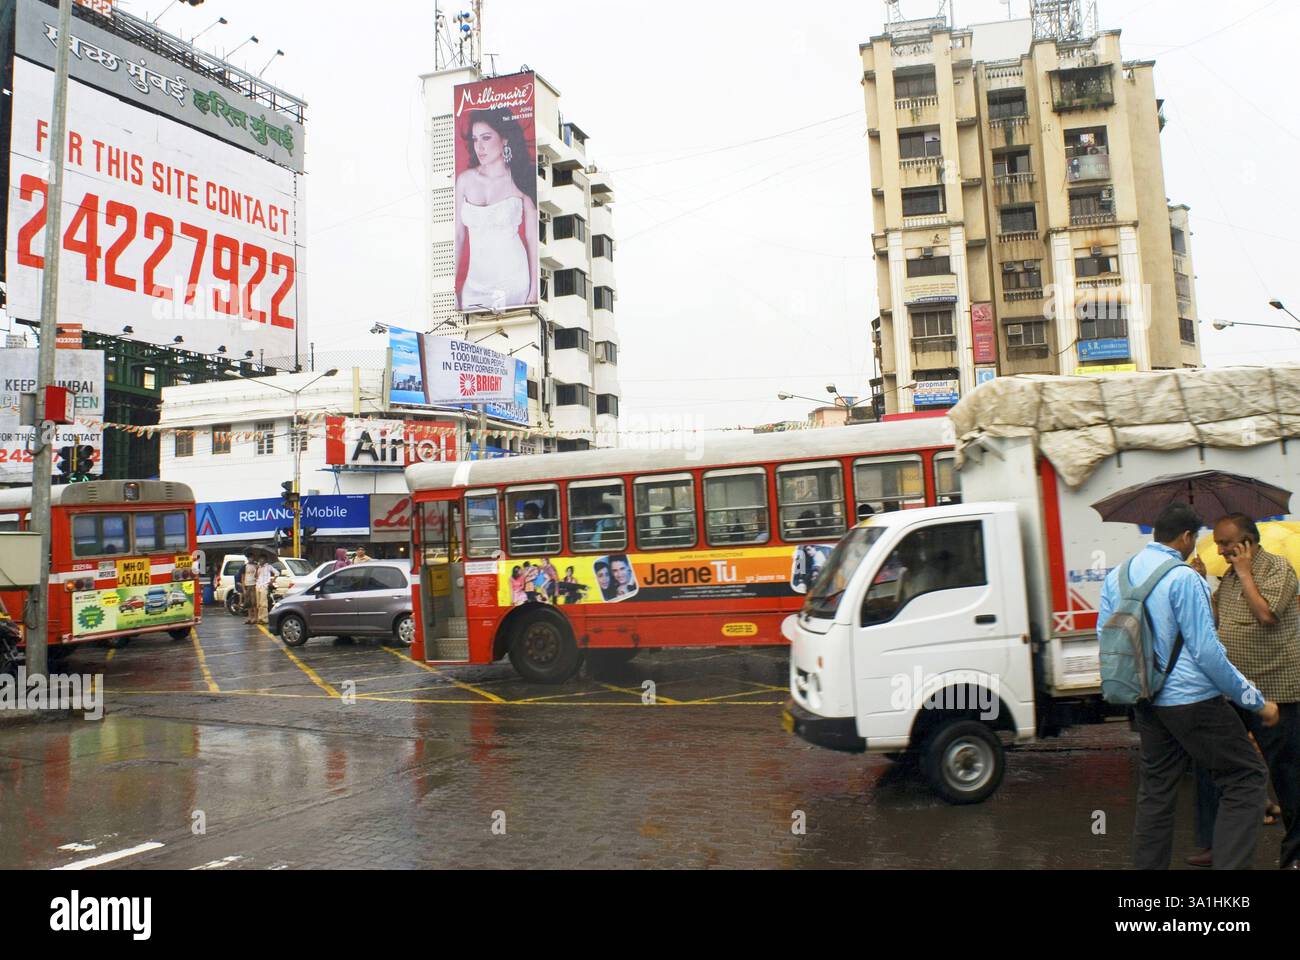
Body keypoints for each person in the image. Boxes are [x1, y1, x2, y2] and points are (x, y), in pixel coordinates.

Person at [1098, 502, 1280, 870]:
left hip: (1145, 700)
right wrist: (1256, 702)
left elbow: (1105, 635)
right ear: (1185, 537)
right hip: (1193, 702)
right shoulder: (1184, 578)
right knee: (1245, 777)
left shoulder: (1116, 576)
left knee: (1156, 792)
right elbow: (1207, 652)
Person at [1187, 513, 1300, 870]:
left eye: (1225, 543)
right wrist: (1202, 583)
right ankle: (1215, 845)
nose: (1220, 549)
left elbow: (1267, 615)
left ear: (1248, 542)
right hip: (1236, 688)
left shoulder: (1277, 570)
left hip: (1276, 688)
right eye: (1217, 542)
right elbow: (1216, 619)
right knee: (1214, 763)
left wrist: (1248, 574)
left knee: (1287, 773)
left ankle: (1295, 854)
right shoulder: (1230, 577)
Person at [454, 107, 539, 311]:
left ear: (504, 139)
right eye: (475, 139)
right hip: (474, 284)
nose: (479, 147)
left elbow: (532, 239)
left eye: (486, 138)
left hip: (514, 281)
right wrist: (451, 286)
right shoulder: (465, 181)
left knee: (515, 341)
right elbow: (457, 236)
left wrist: (535, 289)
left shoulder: (521, 180)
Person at [254, 557, 274, 625]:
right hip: (258, 586)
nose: (260, 560)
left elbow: (277, 573)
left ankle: (265, 619)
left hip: (264, 586)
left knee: (264, 604)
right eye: (259, 559)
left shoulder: (269, 567)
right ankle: (260, 618)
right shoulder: (258, 567)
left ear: (265, 560)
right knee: (259, 604)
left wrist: (272, 581)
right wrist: (256, 569)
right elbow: (256, 576)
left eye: (262, 559)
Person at [241, 554, 258, 624]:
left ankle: (256, 617)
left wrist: (257, 569)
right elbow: (242, 578)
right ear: (247, 558)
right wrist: (244, 589)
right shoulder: (244, 567)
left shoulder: (256, 566)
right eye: (249, 557)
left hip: (254, 585)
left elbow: (258, 576)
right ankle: (250, 618)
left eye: (252, 557)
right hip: (247, 585)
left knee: (254, 603)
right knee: (248, 603)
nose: (251, 559)